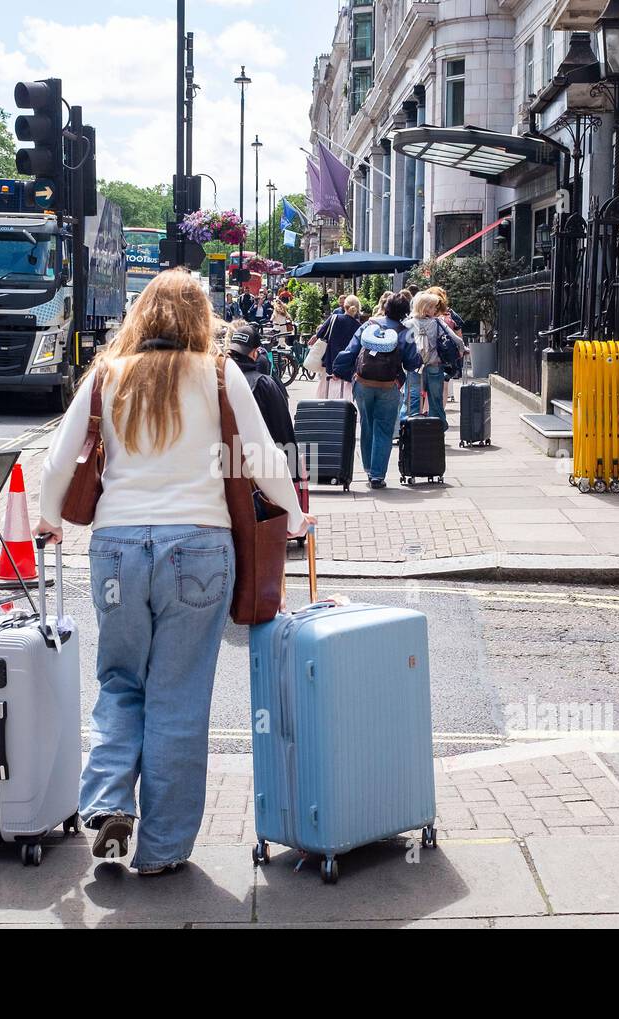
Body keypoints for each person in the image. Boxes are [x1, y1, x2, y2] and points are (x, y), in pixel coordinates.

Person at [34, 269, 312, 875]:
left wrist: (49, 518)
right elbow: (260, 457)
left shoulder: (107, 374)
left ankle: (108, 800)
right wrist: (292, 514)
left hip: (116, 547)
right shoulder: (218, 372)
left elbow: (59, 459)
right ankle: (162, 852)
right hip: (200, 547)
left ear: (141, 314)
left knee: (119, 680)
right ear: (199, 318)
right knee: (179, 698)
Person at [332, 289, 422, 489]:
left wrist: (341, 371)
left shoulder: (368, 325)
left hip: (363, 384)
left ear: (386, 308)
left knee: (367, 425)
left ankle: (368, 468)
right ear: (404, 312)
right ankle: (377, 475)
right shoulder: (405, 333)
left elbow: (351, 350)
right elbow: (412, 362)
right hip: (389, 386)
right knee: (384, 428)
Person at [227, 322, 299, 477]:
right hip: (258, 465)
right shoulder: (265, 384)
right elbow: (283, 429)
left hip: (222, 465)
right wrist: (293, 473)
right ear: (254, 353)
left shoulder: (216, 380)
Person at [409, 290, 462, 428]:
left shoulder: (408, 323)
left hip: (414, 368)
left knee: (413, 400)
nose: (435, 310)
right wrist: (463, 350)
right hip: (434, 366)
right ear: (425, 307)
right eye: (432, 307)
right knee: (435, 400)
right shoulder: (437, 323)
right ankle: (437, 430)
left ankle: (409, 428)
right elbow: (456, 340)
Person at [313, 294, 361, 400]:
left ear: (344, 306)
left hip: (330, 363)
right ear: (357, 309)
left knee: (326, 394)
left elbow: (321, 333)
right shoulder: (358, 327)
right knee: (344, 396)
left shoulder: (335, 318)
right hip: (347, 366)